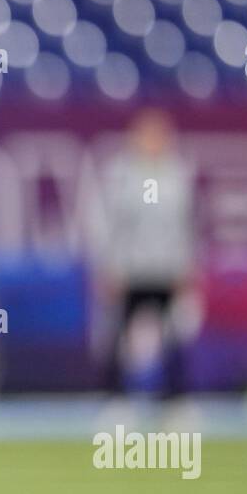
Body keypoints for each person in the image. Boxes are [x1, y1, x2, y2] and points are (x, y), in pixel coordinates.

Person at [99, 109, 196, 398]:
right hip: (130, 269)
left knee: (175, 335)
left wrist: (185, 265)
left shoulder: (178, 175)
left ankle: (174, 398)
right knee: (118, 335)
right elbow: (108, 224)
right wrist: (111, 266)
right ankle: (116, 398)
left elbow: (186, 224)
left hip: (167, 269)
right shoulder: (119, 175)